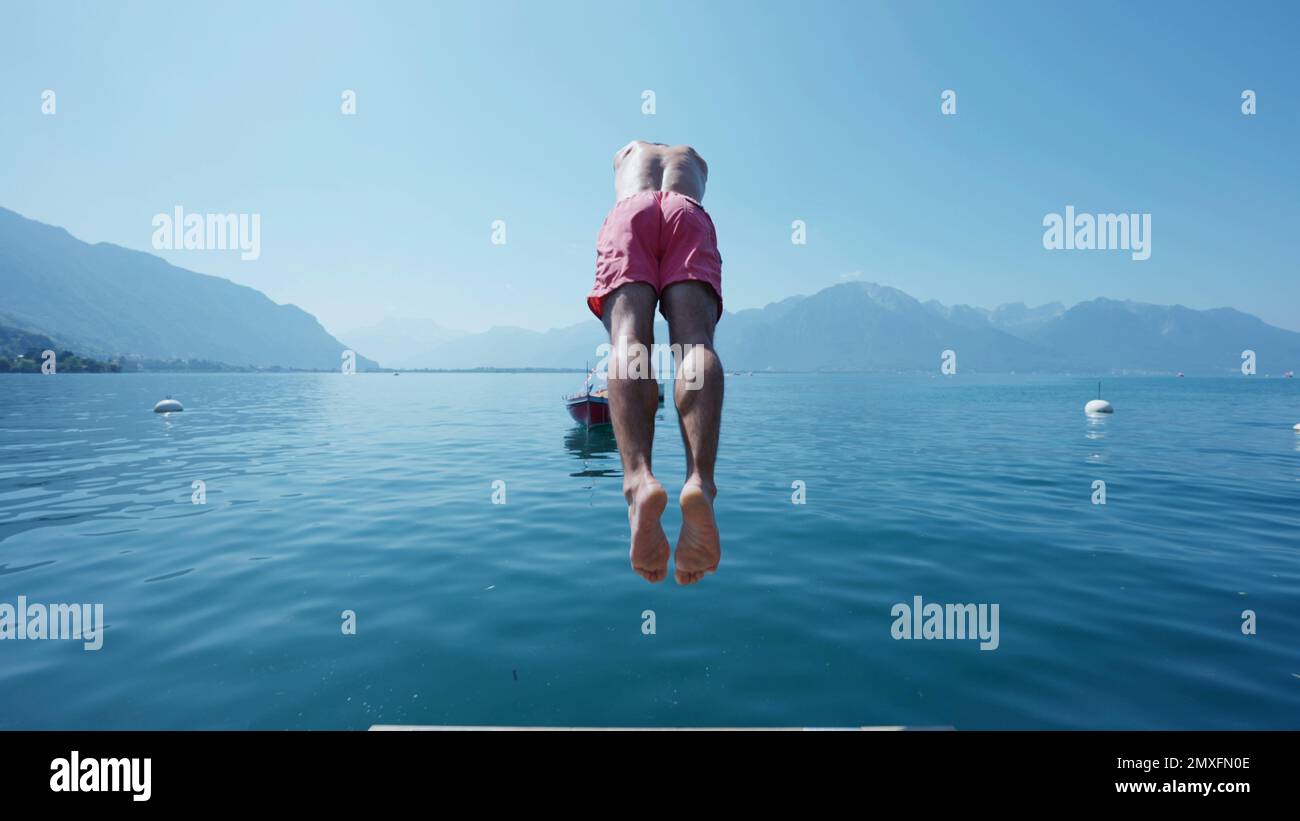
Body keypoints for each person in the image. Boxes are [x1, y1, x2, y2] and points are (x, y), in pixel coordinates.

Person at [586, 140, 724, 585]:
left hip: (631, 212)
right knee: (694, 343)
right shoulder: (694, 159)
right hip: (687, 213)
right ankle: (699, 481)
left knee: (628, 338)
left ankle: (638, 481)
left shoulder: (628, 152)